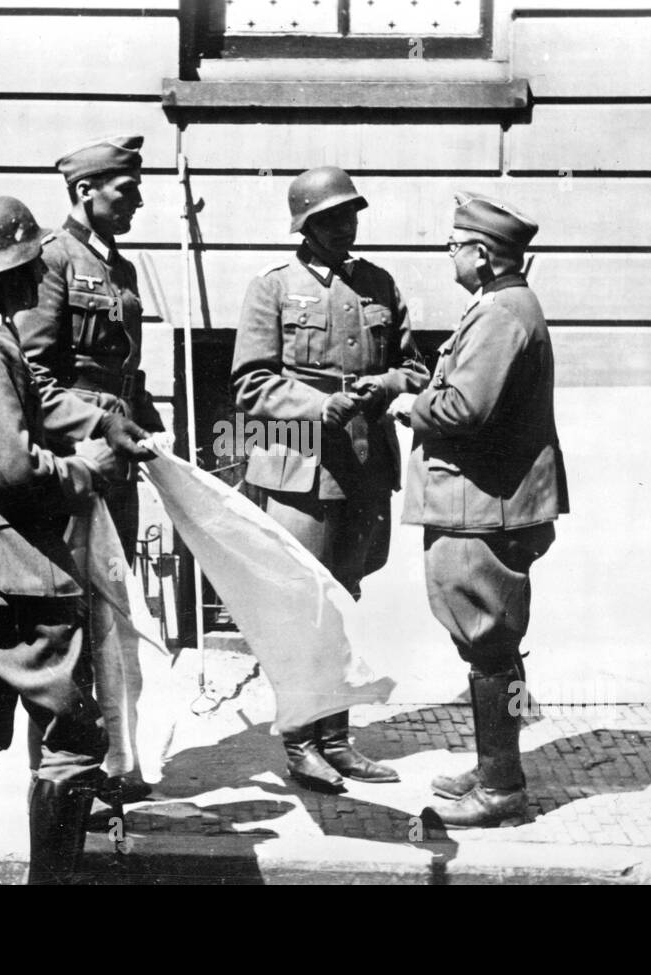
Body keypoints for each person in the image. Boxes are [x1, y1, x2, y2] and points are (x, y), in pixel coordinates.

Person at [0, 196, 150, 884]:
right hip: (19, 576)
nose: (35, 275)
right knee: (73, 741)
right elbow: (11, 467)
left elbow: (24, 408)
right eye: (28, 262)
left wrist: (101, 420)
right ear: (6, 268)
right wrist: (87, 470)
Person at [231, 166, 429, 793]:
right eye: (335, 218)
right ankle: (300, 742)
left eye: (352, 216)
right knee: (300, 606)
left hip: (365, 464)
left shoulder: (378, 283)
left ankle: (337, 739)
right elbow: (250, 385)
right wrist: (319, 407)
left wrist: (386, 384)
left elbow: (413, 366)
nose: (348, 227)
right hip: (298, 466)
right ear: (308, 226)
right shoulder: (272, 289)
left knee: (343, 603)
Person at [398, 193, 569, 829]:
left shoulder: (500, 313)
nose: (447, 250)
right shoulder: (507, 306)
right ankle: (496, 765)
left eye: (454, 242)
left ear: (481, 253)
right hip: (491, 500)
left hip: (483, 505)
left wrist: (404, 404)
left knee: (488, 644)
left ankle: (502, 788)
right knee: (494, 644)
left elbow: (464, 411)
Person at [14, 133, 163, 567]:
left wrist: (148, 420)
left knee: (116, 594)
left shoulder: (123, 269)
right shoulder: (52, 259)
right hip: (71, 457)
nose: (137, 202)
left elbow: (122, 367)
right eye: (127, 189)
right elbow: (29, 379)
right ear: (85, 190)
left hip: (116, 457)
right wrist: (97, 423)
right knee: (75, 592)